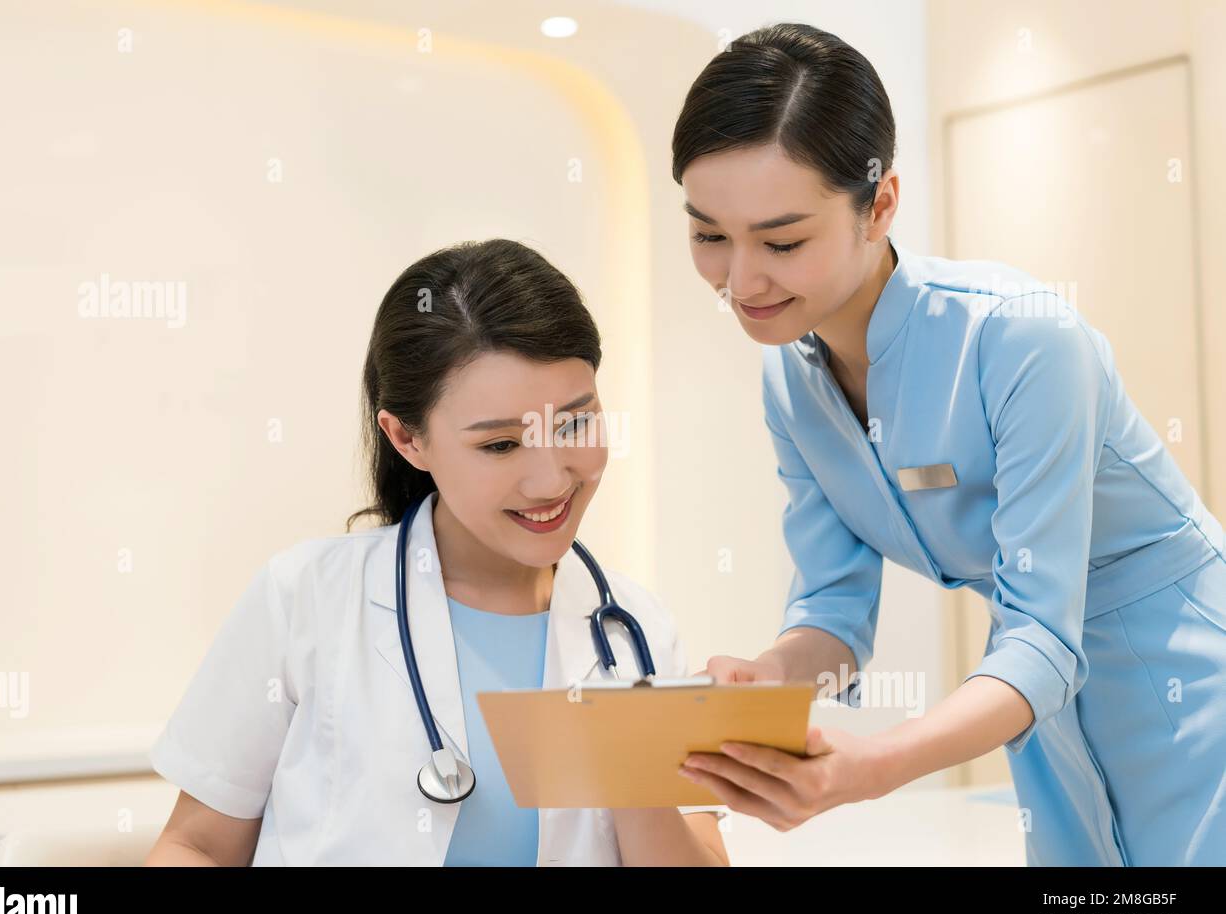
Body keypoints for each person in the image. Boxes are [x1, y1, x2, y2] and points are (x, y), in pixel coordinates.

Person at [671, 22, 1226, 866]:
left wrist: (879, 764)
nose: (740, 281)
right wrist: (769, 681)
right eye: (710, 234)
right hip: (1035, 704)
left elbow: (1044, 633)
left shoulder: (1020, 339)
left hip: (1190, 688)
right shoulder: (791, 378)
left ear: (880, 204)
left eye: (782, 241)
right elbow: (831, 612)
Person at [145, 239, 727, 866]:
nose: (550, 479)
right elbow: (194, 847)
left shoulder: (637, 632)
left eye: (574, 424)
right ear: (407, 438)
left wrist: (635, 772)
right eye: (501, 446)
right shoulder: (305, 599)